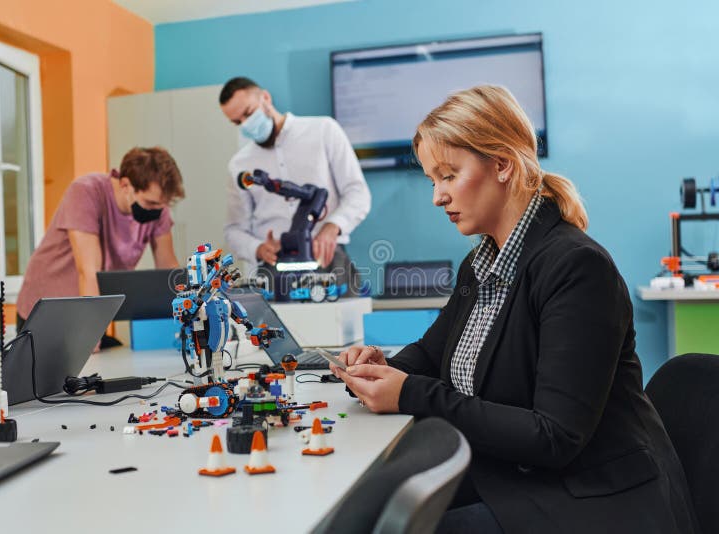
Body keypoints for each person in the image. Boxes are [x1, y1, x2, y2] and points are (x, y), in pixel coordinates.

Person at [330, 86, 698, 534]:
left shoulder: (576, 267)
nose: (437, 197)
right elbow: (430, 355)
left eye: (448, 175)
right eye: (433, 180)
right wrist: (379, 367)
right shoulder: (481, 263)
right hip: (521, 478)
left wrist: (408, 393)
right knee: (364, 510)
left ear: (502, 164)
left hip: (596, 500)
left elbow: (553, 437)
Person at [219, 76, 371, 294]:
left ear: (265, 98)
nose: (245, 124)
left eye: (248, 113)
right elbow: (234, 229)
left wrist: (333, 226)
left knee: (343, 323)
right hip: (274, 269)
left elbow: (357, 193)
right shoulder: (240, 166)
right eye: (237, 122)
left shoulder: (323, 131)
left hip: (327, 258)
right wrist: (259, 249)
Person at [16, 147, 185, 339]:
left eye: (161, 205)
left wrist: (188, 321)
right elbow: (88, 273)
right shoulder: (86, 192)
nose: (157, 211)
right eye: (151, 204)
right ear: (125, 185)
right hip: (46, 311)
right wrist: (90, 341)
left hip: (87, 311)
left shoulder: (158, 207)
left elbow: (168, 271)